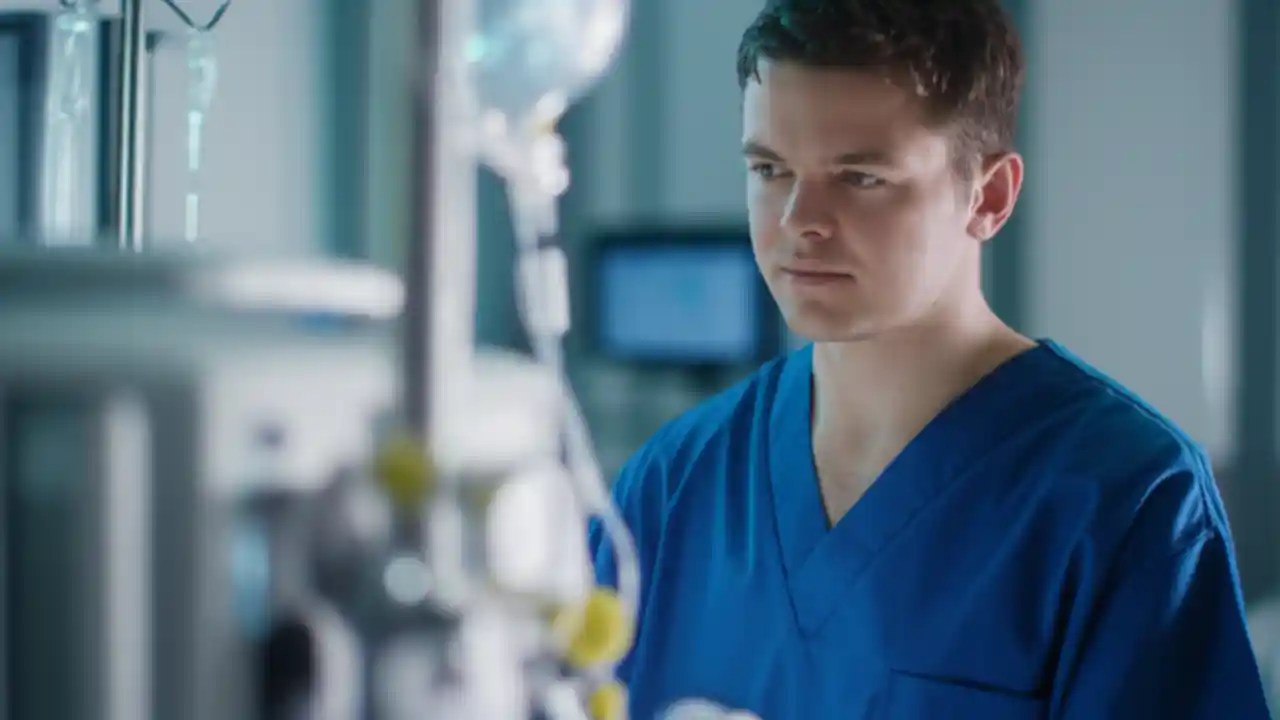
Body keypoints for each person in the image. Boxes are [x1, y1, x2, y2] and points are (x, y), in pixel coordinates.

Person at [588, 0, 1271, 718]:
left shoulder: (1123, 501)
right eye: (770, 169)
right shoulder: (673, 487)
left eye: (860, 177)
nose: (799, 222)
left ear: (991, 196)